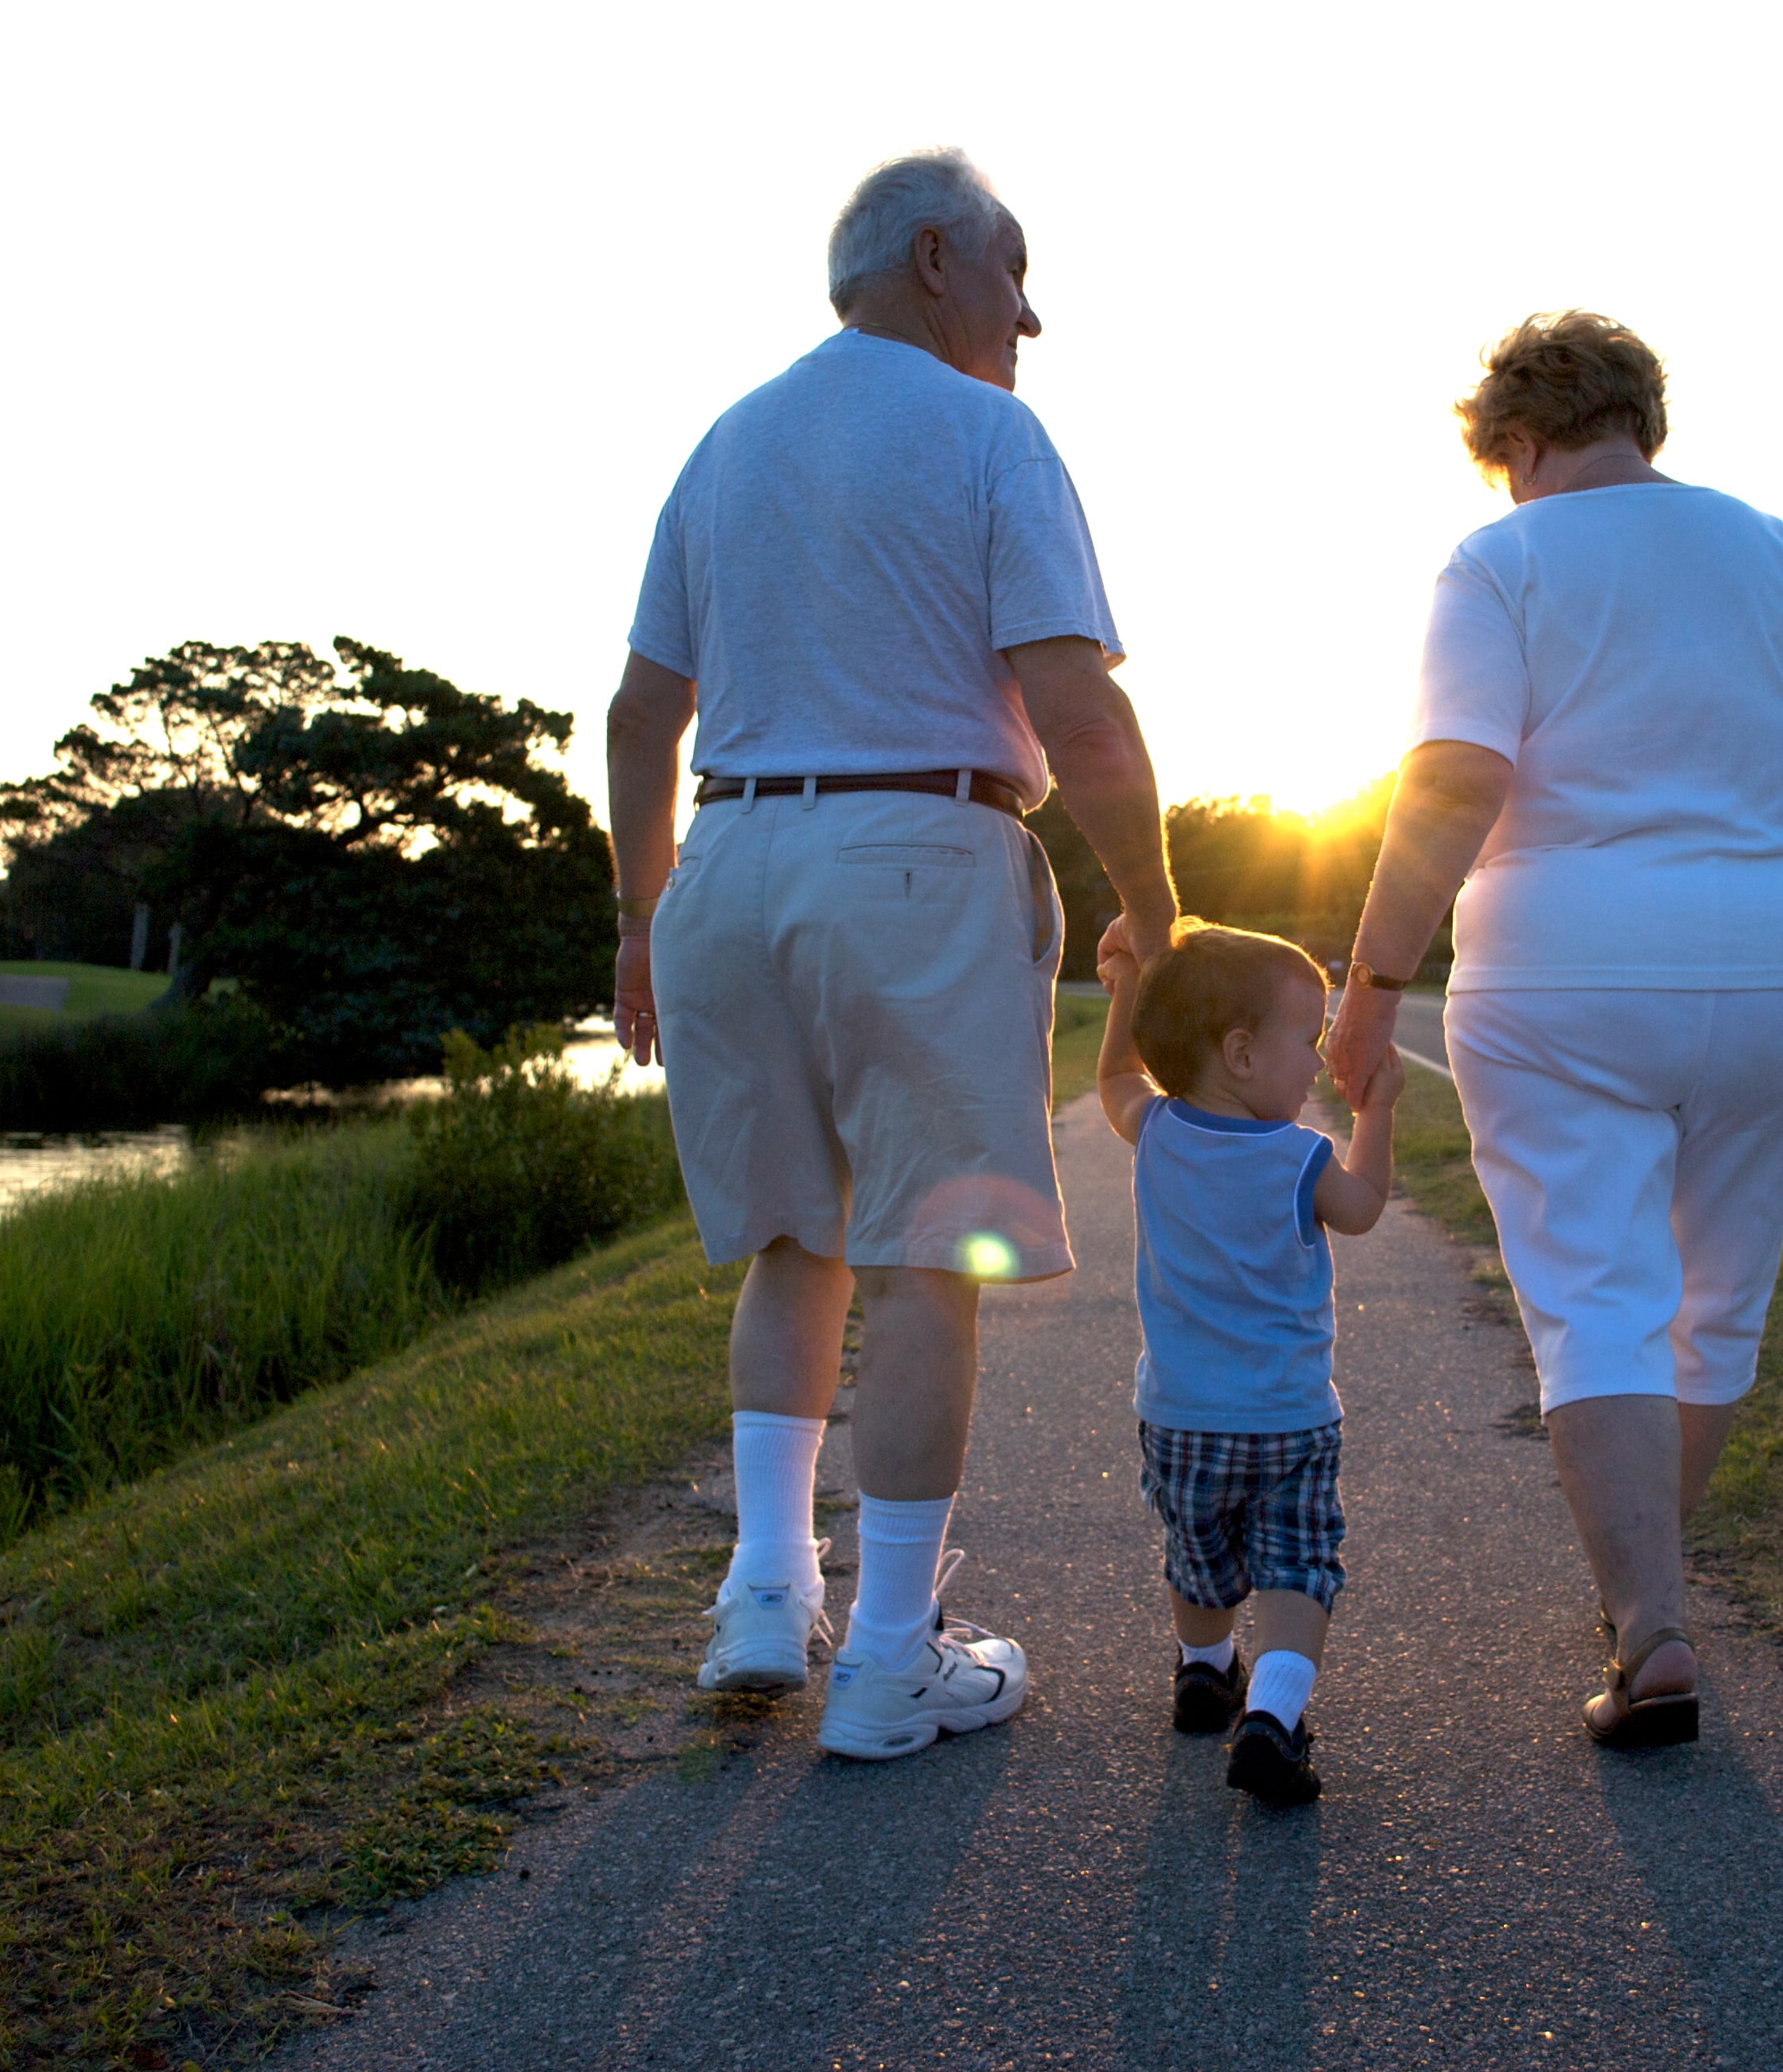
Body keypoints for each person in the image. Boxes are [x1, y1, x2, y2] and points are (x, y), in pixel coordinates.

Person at [608, 149, 1179, 1763]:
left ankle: (760, 1596)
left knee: (798, 1240)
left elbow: (643, 715)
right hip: (917, 849)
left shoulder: (726, 446)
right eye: (1014, 272)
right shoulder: (989, 433)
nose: (1033, 314)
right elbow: (1076, 704)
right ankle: (886, 1660)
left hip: (726, 861)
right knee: (934, 1253)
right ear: (935, 260)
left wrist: (640, 916)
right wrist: (1158, 902)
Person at [1322, 311, 1783, 1747]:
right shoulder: (1779, 552)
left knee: (1591, 1295)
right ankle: (1643, 1594)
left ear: (1523, 441)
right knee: (1713, 1297)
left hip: (1570, 954)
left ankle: (1651, 1623)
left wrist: (1370, 987)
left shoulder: (1503, 559)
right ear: (1639, 418)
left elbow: (1453, 782)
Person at [1094, 922, 1402, 1807]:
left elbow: (1114, 1078)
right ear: (1237, 1054)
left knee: (1198, 1558)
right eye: (1303, 1043)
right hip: (1289, 1420)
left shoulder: (1152, 1130)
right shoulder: (1301, 1157)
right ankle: (1269, 1718)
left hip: (1180, 1418)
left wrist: (1121, 990)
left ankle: (1201, 1670)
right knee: (1296, 1569)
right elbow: (1366, 1206)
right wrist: (1375, 1111)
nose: (1313, 1066)